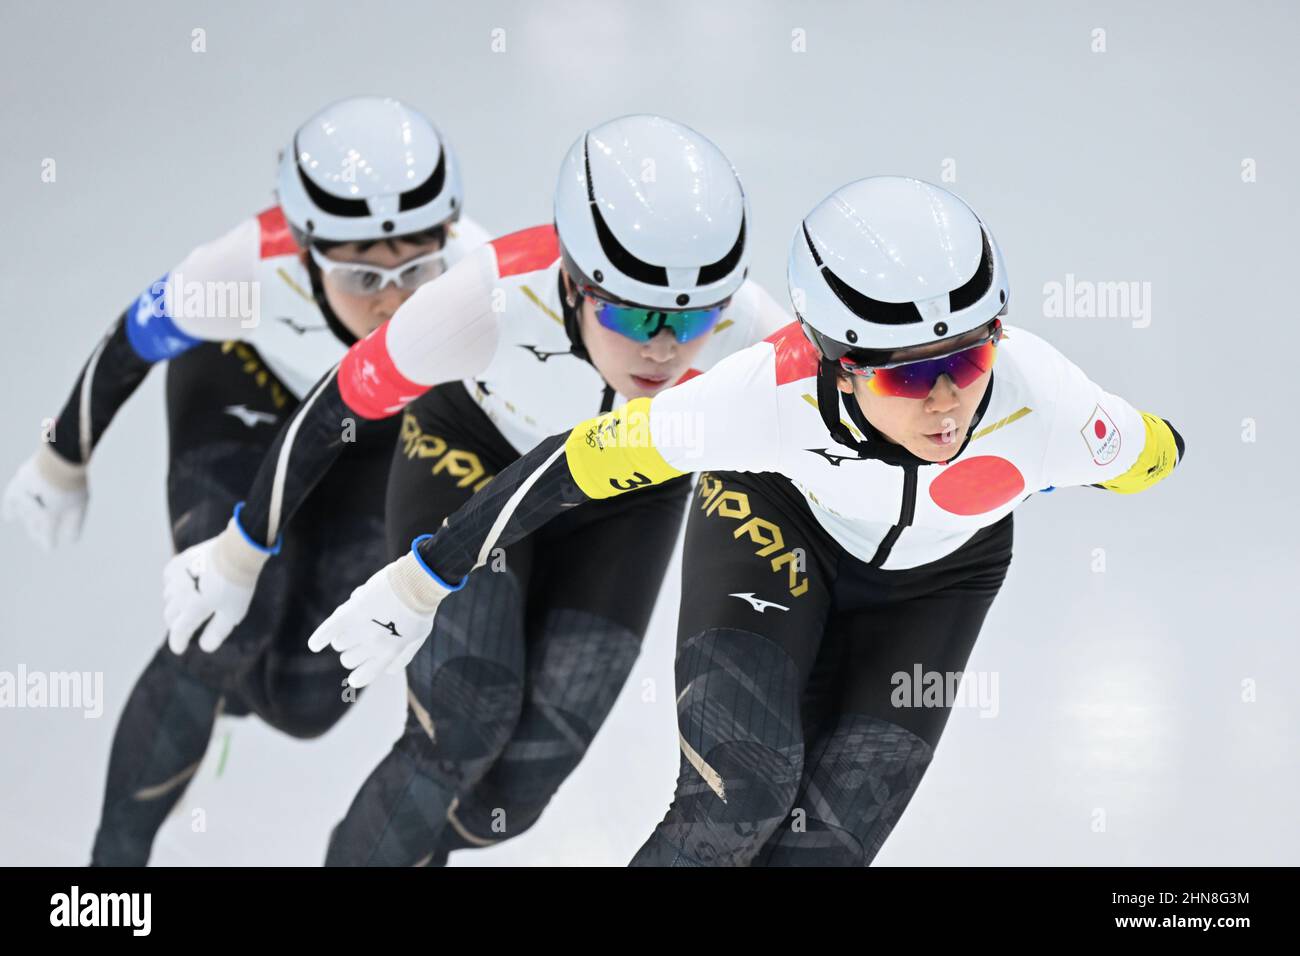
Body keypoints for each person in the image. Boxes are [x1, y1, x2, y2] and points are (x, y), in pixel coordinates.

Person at [310, 176, 1187, 866]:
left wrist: (1061, 470)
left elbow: (1159, 453)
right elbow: (569, 464)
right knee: (738, 799)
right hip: (778, 532)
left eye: (969, 357)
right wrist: (423, 576)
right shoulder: (760, 394)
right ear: (840, 367)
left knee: (825, 848)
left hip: (942, 579)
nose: (951, 400)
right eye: (909, 378)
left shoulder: (1051, 404)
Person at [159, 114, 791, 865]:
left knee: (513, 794)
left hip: (629, 497)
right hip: (470, 457)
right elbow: (335, 405)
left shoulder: (752, 328)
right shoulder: (483, 296)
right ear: (571, 280)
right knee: (461, 728)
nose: (663, 347)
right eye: (630, 312)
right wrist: (241, 548)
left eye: (693, 318)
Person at [2, 95, 489, 865]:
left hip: (370, 440)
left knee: (305, 702)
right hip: (243, 398)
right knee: (223, 629)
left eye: (416, 271)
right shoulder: (241, 267)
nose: (392, 300)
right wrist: (63, 456)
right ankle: (110, 874)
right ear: (303, 249)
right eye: (361, 275)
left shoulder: (477, 274)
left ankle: (215, 705)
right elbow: (130, 343)